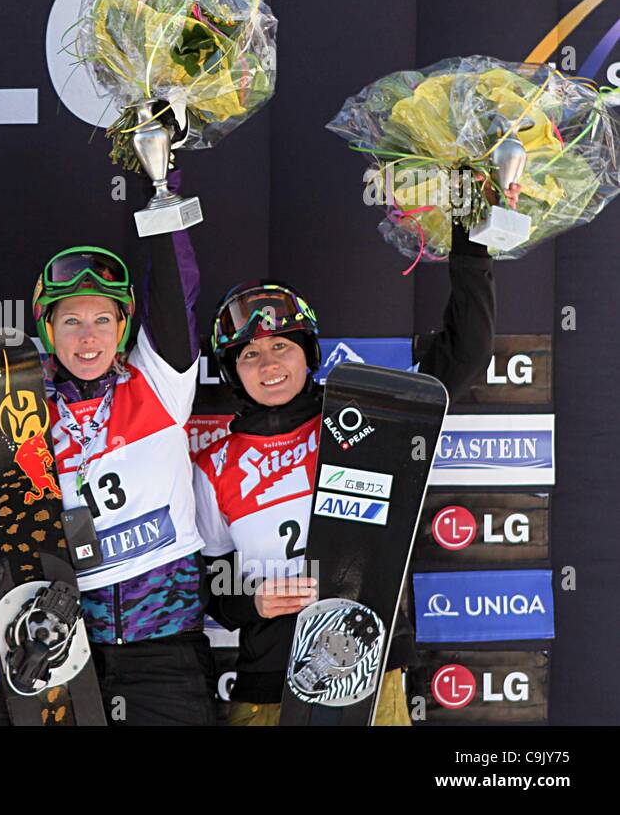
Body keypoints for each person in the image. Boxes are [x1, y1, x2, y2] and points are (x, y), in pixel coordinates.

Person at [193, 221, 496, 726]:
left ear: (308, 353)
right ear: (232, 372)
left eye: (282, 347)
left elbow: (465, 354)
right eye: (249, 355)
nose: (268, 364)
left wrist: (473, 239)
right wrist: (252, 601)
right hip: (267, 686)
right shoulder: (214, 465)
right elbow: (209, 589)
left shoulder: (361, 420)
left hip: (368, 675)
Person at [0, 228, 230, 726]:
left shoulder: (159, 384)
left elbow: (177, 291)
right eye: (71, 321)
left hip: (163, 654)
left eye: (101, 320)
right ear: (47, 330)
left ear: (123, 327)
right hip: (63, 647)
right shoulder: (25, 418)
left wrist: (162, 198)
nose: (87, 337)